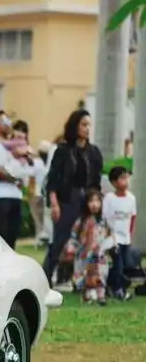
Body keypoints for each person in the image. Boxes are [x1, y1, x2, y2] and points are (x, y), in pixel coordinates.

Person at [43, 108, 103, 282]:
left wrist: (96, 204)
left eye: (89, 125)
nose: (87, 128)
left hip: (88, 200)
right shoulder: (62, 151)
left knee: (86, 242)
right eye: (83, 124)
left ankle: (74, 279)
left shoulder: (94, 153)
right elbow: (52, 181)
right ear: (75, 126)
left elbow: (96, 182)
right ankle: (45, 278)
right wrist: (54, 204)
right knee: (60, 241)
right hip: (67, 200)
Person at [0, 111, 29, 249]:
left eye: (8, 120)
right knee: (2, 238)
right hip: (1, 196)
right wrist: (15, 180)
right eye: (4, 121)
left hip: (16, 195)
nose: (8, 123)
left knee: (12, 238)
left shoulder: (13, 146)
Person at [63, 190, 115, 305]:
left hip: (100, 254)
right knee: (84, 275)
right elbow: (73, 237)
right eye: (91, 201)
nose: (94, 204)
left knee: (100, 273)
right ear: (86, 204)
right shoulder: (81, 221)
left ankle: (101, 295)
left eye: (97, 201)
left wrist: (108, 247)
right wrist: (71, 249)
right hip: (84, 255)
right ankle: (87, 295)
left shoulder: (104, 222)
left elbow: (110, 237)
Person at [103, 166, 137, 300]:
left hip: (125, 239)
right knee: (118, 264)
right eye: (122, 178)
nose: (126, 181)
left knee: (121, 266)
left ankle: (111, 285)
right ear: (114, 182)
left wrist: (130, 234)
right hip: (113, 239)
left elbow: (133, 217)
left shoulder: (131, 198)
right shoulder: (109, 198)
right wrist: (109, 238)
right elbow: (105, 219)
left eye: (126, 177)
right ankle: (118, 290)